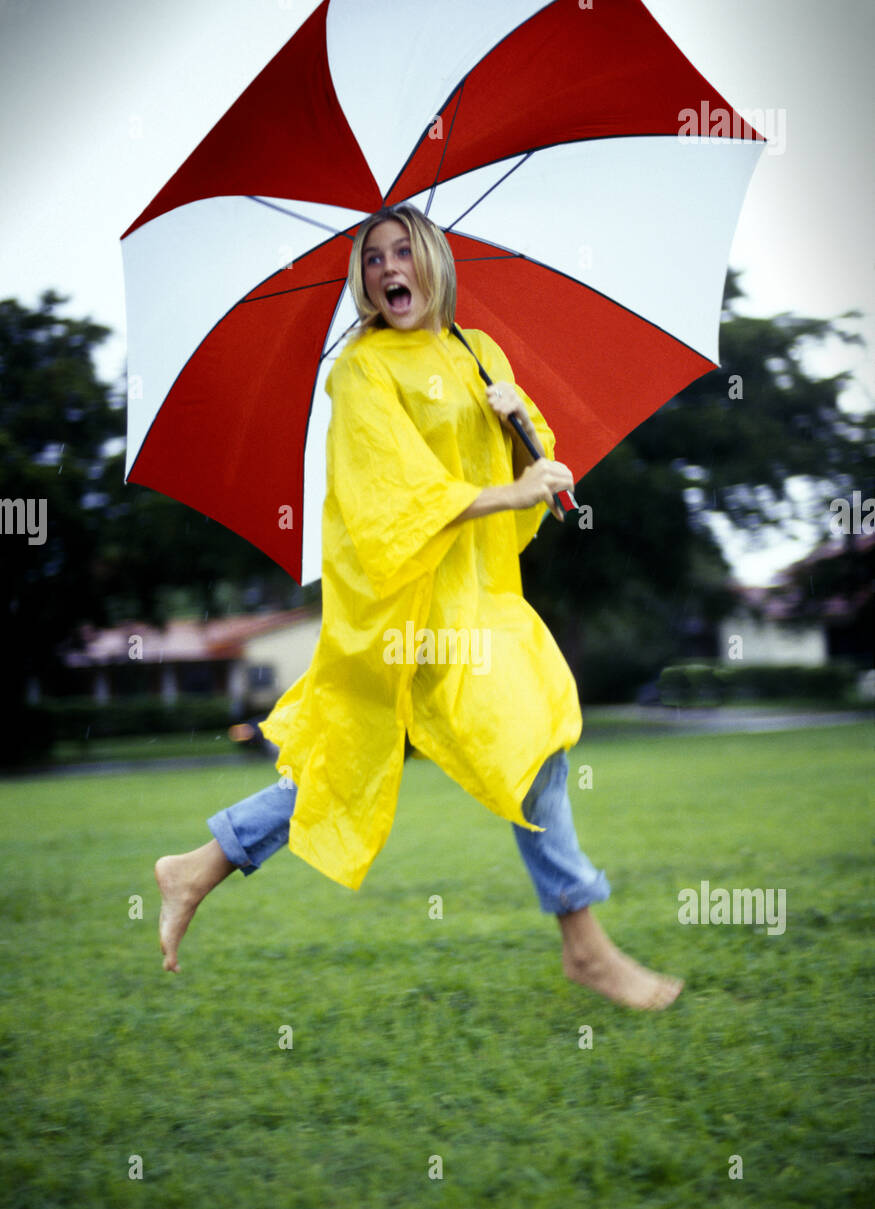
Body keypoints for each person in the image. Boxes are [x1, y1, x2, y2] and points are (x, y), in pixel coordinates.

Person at [155, 204, 683, 1011]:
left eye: (403, 251)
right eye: (373, 259)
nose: (388, 268)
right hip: (411, 609)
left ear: (434, 262)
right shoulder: (362, 370)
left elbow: (527, 474)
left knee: (363, 752)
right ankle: (586, 947)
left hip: (481, 598)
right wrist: (506, 487)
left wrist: (523, 437)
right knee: (527, 737)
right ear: (363, 282)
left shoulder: (478, 352)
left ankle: (201, 864)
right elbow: (389, 494)